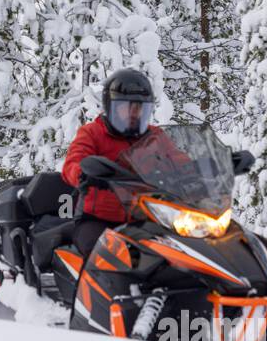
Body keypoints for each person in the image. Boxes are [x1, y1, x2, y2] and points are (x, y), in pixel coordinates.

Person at [61, 69, 187, 255]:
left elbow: (178, 161)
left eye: (139, 108)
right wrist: (84, 174)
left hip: (145, 218)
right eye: (127, 107)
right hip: (98, 220)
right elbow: (73, 163)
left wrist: (209, 167)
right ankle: (84, 284)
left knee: (180, 253)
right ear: (111, 107)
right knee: (102, 253)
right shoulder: (92, 133)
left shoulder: (154, 137)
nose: (134, 113)